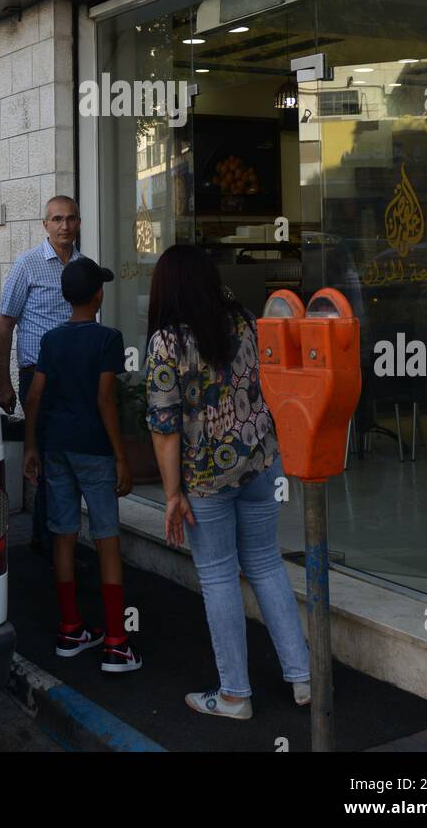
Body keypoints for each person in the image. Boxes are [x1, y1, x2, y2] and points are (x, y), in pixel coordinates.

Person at [145, 244, 309, 719]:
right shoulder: (243, 320)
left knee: (218, 576)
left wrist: (172, 494)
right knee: (266, 563)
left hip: (205, 477)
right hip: (261, 462)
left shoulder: (166, 342)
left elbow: (164, 426)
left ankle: (236, 695)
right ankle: (304, 678)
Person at [23, 257, 141, 673]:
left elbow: (35, 396)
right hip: (94, 448)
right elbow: (105, 399)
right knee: (107, 536)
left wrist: (31, 447)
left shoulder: (52, 340)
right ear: (99, 295)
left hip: (56, 445)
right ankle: (115, 641)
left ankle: (71, 627)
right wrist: (122, 455)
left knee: (63, 534)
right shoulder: (108, 338)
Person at [0, 196, 82, 554]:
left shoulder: (83, 267)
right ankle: (47, 546)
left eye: (71, 219)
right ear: (45, 224)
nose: (64, 226)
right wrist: (4, 381)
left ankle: (55, 544)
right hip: (37, 378)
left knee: (68, 460)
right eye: (57, 219)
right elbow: (4, 326)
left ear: (79, 223)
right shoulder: (27, 265)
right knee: (45, 461)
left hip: (77, 379)